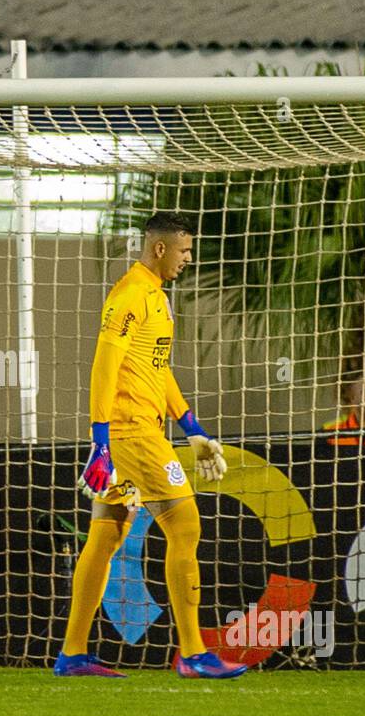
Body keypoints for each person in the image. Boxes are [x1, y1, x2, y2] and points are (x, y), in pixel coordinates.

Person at [55, 212, 247, 680]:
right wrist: (99, 443)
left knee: (107, 533)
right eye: (184, 251)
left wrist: (192, 428)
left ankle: (73, 653)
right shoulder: (129, 295)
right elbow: (104, 366)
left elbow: (155, 370)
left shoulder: (156, 298)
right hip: (132, 433)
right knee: (184, 525)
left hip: (141, 430)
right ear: (160, 249)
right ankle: (194, 653)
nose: (188, 259)